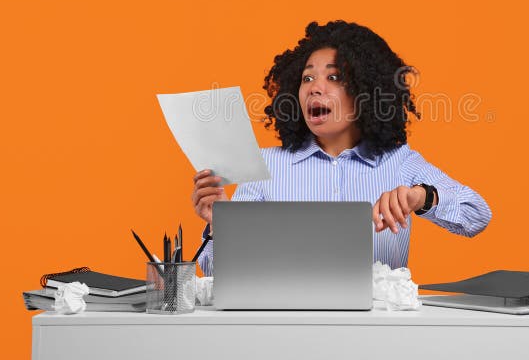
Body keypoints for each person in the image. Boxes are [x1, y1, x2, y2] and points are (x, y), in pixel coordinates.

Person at [192, 20, 491, 275]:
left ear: (365, 91)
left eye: (333, 77)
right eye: (307, 77)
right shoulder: (267, 168)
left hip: (379, 334)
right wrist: (222, 226)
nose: (314, 87)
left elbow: (477, 215)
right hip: (289, 332)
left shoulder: (399, 163)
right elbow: (219, 272)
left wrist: (422, 197)